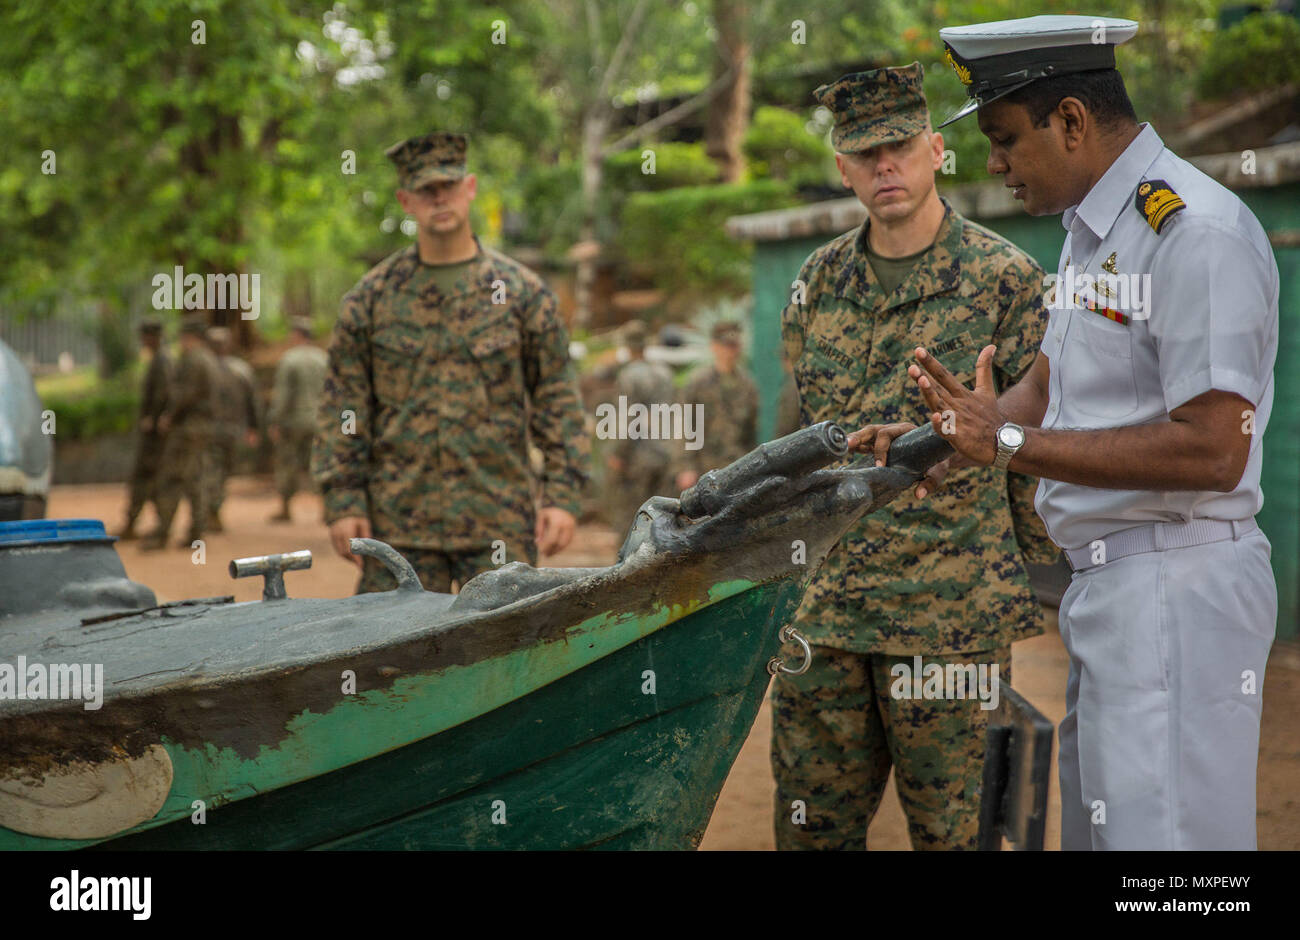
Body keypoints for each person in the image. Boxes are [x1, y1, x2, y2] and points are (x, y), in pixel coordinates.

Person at [864, 14, 1278, 850]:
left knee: (1169, 861)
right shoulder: (1094, 238)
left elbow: (1213, 447)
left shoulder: (1191, 233)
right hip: (1112, 596)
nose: (996, 165)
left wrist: (1005, 445)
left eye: (1006, 139)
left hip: (1177, 588)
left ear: (1073, 122)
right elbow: (1046, 394)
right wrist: (942, 440)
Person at [774, 62, 1058, 851]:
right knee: (811, 832)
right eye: (864, 155)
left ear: (938, 150)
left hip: (950, 615)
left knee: (958, 834)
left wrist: (1037, 575)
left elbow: (1035, 440)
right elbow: (802, 438)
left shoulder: (1007, 279)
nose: (884, 167)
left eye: (899, 146)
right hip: (825, 613)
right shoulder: (815, 281)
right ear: (842, 168)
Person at [312, 131, 590, 594]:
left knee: (511, 654)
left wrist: (562, 496)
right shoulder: (372, 299)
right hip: (400, 526)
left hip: (497, 519)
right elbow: (343, 407)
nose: (439, 198)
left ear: (471, 188)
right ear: (406, 200)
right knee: (393, 658)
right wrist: (342, 498)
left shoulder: (521, 293)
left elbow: (556, 397)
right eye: (425, 190)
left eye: (448, 185)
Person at [142, 315, 221, 550]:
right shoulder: (210, 359)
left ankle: (162, 531)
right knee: (195, 478)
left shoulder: (192, 360)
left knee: (170, 478)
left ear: (190, 337)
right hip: (203, 427)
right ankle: (196, 530)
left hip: (187, 428)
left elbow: (184, 394)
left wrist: (168, 416)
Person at [606, 320, 676, 528]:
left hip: (638, 459)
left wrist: (618, 453)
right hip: (664, 454)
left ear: (627, 346)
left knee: (632, 521)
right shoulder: (665, 373)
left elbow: (629, 418)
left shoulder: (629, 376)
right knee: (661, 521)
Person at [674, 321, 758, 492]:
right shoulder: (698, 382)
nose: (730, 350)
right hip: (703, 468)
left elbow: (750, 432)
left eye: (734, 345)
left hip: (736, 467)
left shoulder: (748, 385)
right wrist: (685, 466)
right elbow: (684, 426)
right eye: (725, 345)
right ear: (714, 346)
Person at [267, 317, 328, 523]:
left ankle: (285, 508)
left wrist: (275, 420)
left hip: (293, 422)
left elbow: (283, 394)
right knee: (319, 464)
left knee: (287, 463)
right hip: (319, 421)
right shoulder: (324, 359)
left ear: (297, 335)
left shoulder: (289, 359)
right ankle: (325, 509)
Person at [118, 317, 171, 539]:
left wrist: (154, 416)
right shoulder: (158, 359)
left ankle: (159, 525)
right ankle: (137, 521)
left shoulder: (162, 361)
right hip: (153, 431)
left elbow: (164, 392)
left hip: (155, 433)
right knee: (146, 476)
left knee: (149, 476)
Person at [204, 326, 261, 532]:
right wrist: (253, 428)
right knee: (221, 471)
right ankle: (213, 509)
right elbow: (253, 403)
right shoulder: (241, 369)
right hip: (231, 430)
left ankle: (210, 509)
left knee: (210, 470)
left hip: (209, 430)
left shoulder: (203, 369)